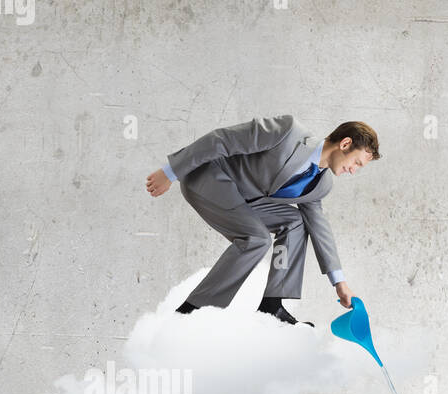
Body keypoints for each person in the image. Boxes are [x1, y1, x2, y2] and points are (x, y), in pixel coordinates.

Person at [145, 116, 379, 326]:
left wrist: (339, 282)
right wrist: (170, 172)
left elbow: (319, 227)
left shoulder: (322, 185)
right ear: (345, 144)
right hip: (210, 178)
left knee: (296, 222)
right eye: (357, 163)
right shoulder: (288, 132)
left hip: (245, 200)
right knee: (256, 238)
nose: (353, 171)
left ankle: (271, 305)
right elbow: (221, 140)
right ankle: (193, 311)